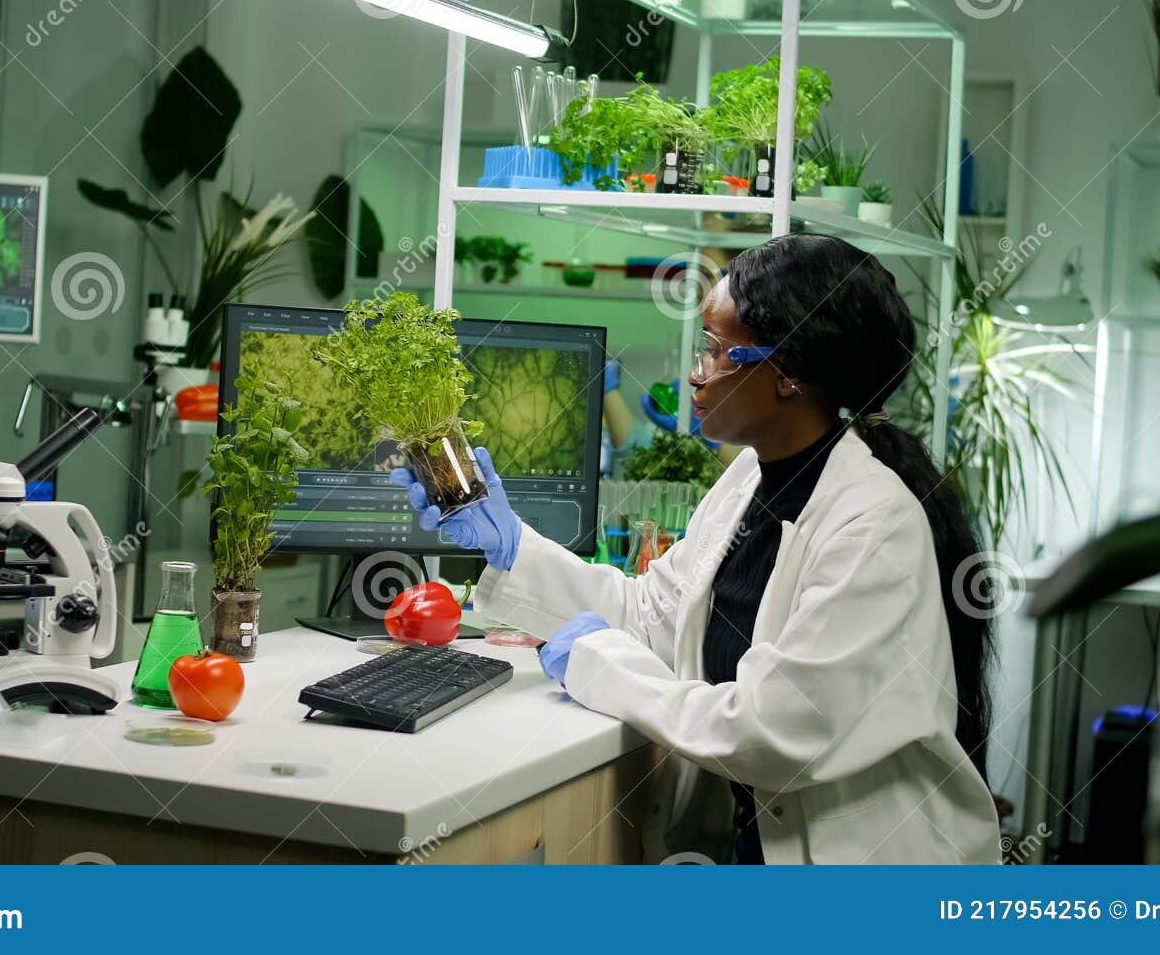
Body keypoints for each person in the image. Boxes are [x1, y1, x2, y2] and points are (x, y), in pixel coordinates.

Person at [390, 234, 1000, 865]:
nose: (695, 373)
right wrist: (512, 546)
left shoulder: (873, 524)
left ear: (789, 374)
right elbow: (652, 613)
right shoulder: (749, 479)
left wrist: (598, 664)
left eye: (714, 350)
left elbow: (770, 731)